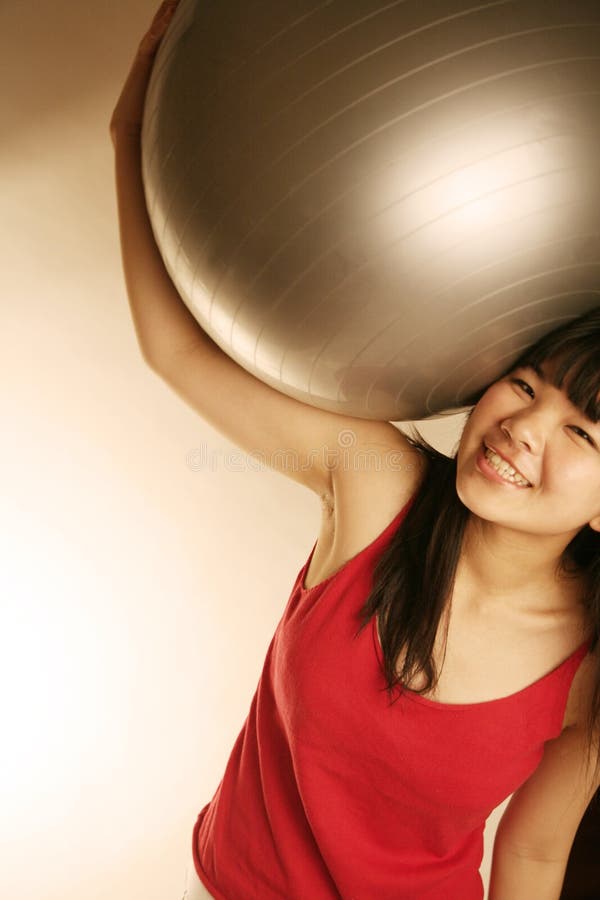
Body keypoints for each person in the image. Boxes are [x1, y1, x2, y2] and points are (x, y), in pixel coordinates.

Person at [110, 3, 600, 898]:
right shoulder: (377, 481)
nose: (526, 429)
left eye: (582, 432)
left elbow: (529, 856)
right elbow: (177, 350)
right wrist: (129, 131)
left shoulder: (591, 662)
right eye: (526, 385)